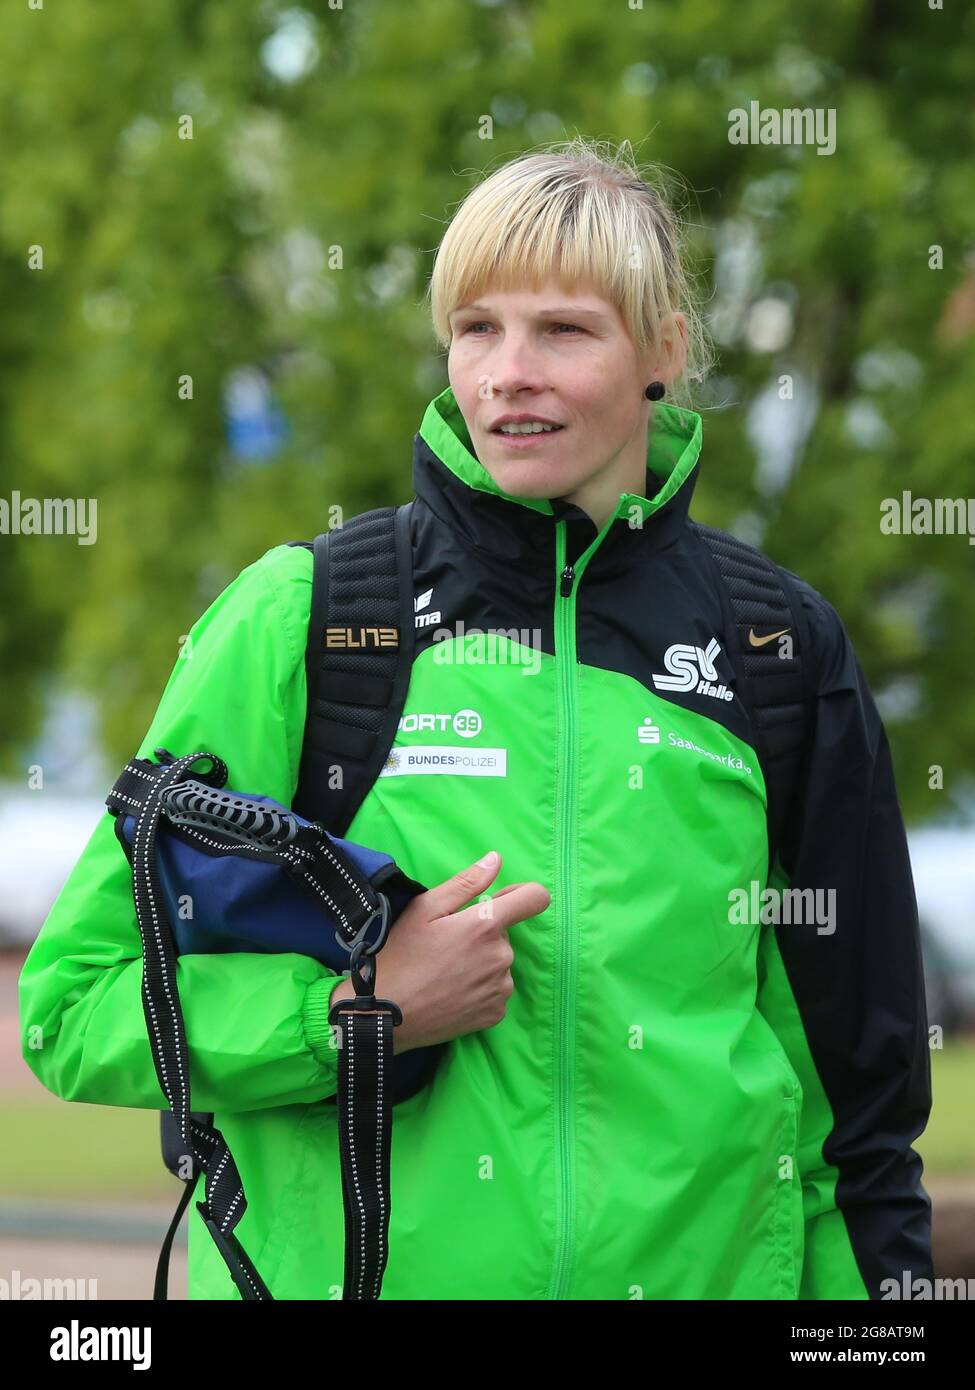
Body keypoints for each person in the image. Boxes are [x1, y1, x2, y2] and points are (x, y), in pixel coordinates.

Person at [19, 136, 933, 1300]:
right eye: (476, 328)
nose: (508, 371)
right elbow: (76, 1005)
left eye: (563, 330)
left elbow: (860, 1111)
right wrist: (357, 1012)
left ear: (663, 350)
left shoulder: (778, 648)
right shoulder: (306, 620)